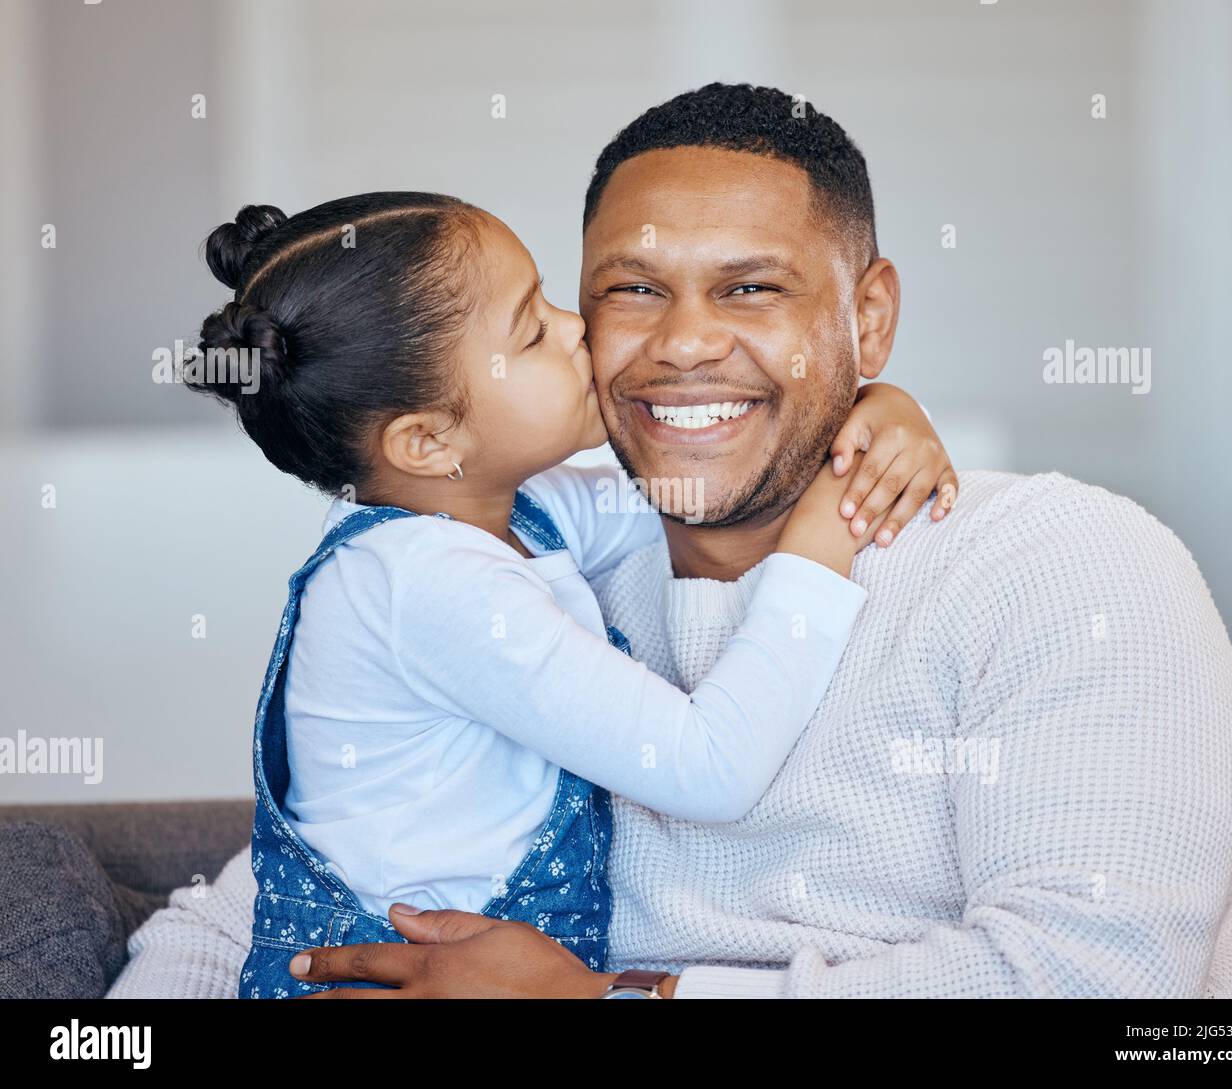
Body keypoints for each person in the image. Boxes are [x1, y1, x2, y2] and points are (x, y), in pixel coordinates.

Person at [109, 84, 1232, 1000]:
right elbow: (282, 889)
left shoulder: (1064, 565)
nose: (685, 346)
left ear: (867, 320)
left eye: (751, 289)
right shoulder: (558, 562)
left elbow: (1109, 991)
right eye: (630, 292)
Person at [173, 190, 957, 998]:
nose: (579, 326)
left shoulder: (516, 511)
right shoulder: (422, 582)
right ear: (428, 440)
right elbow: (709, 765)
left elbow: (701, 492)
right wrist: (827, 534)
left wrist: (876, 410)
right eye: (533, 329)